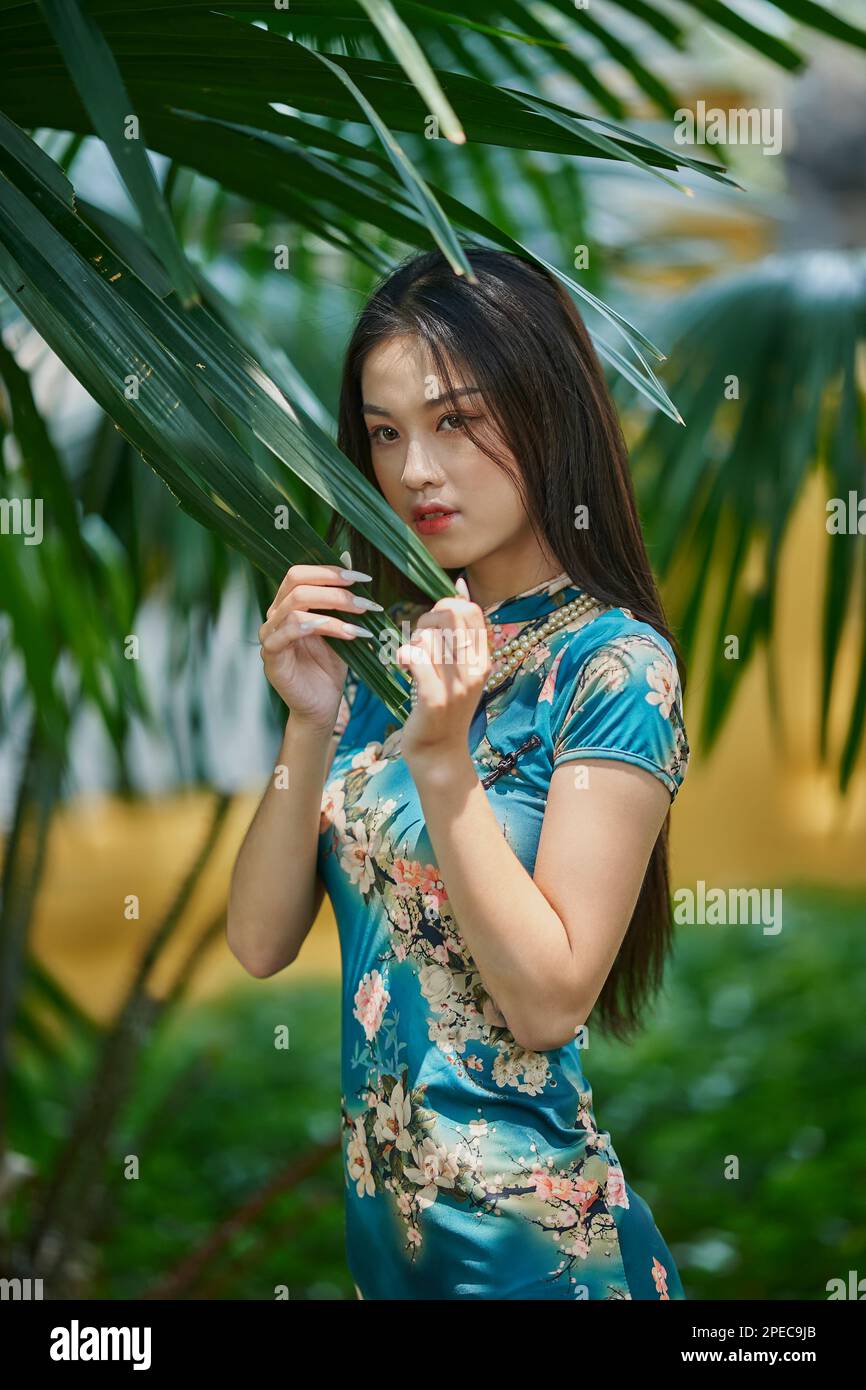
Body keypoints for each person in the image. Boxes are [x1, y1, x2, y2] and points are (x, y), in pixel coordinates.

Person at [228, 247, 691, 1300]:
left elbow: (546, 1003)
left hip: (537, 1258)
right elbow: (257, 942)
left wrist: (442, 764)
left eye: (453, 420)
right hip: (390, 1261)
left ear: (545, 411)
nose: (414, 471)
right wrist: (308, 722)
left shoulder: (612, 666)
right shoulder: (393, 654)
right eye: (385, 432)